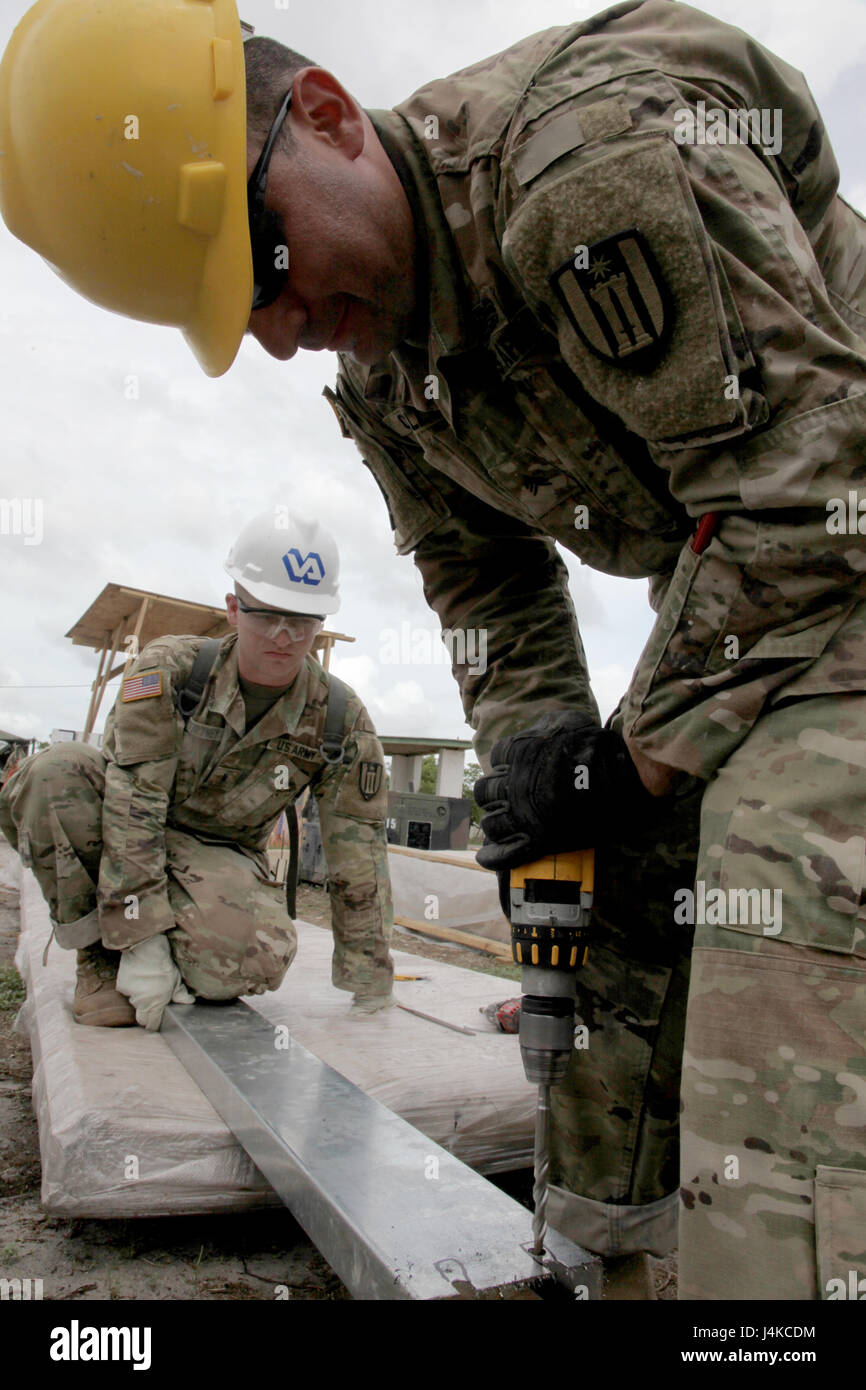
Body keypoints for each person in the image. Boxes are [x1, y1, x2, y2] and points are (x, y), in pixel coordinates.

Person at [1, 0, 863, 1301]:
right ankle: (598, 1265)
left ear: (333, 116)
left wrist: (623, 762)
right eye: (237, 320)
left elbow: (813, 486)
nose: (280, 330)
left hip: (833, 536)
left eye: (260, 264)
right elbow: (484, 589)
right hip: (749, 580)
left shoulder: (581, 162)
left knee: (775, 906)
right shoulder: (386, 382)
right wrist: (540, 781)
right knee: (593, 887)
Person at [0, 509, 394, 1031]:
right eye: (266, 614)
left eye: (302, 621)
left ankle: (180, 948)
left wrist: (370, 982)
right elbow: (134, 802)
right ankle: (100, 958)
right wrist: (137, 937)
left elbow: (359, 853)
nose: (284, 636)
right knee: (54, 774)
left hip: (218, 855)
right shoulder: (173, 670)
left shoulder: (340, 718)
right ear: (233, 609)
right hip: (125, 824)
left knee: (254, 954)